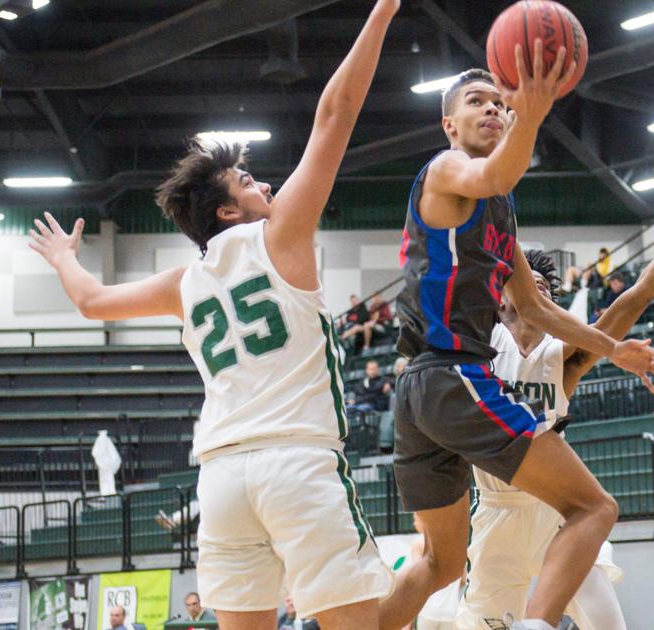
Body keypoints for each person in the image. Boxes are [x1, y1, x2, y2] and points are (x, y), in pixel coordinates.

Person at [29, 4, 400, 628]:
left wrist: (65, 257)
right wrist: (385, 8)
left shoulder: (183, 282)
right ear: (228, 212)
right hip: (298, 463)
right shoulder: (281, 236)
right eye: (250, 179)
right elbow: (335, 115)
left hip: (222, 480)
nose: (266, 184)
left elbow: (91, 301)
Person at [385, 54, 654, 630]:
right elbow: (494, 174)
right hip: (450, 373)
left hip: (419, 390)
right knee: (594, 507)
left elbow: (539, 306)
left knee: (439, 564)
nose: (492, 107)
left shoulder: (500, 208)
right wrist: (530, 115)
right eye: (477, 102)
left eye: (499, 101)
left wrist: (614, 348)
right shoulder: (448, 169)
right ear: (449, 125)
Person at [457, 162, 654, 630]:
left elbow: (638, 295)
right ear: (504, 295)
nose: (540, 292)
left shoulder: (566, 353)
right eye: (529, 283)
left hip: (559, 510)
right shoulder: (478, 344)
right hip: (496, 512)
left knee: (609, 625)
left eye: (546, 287)